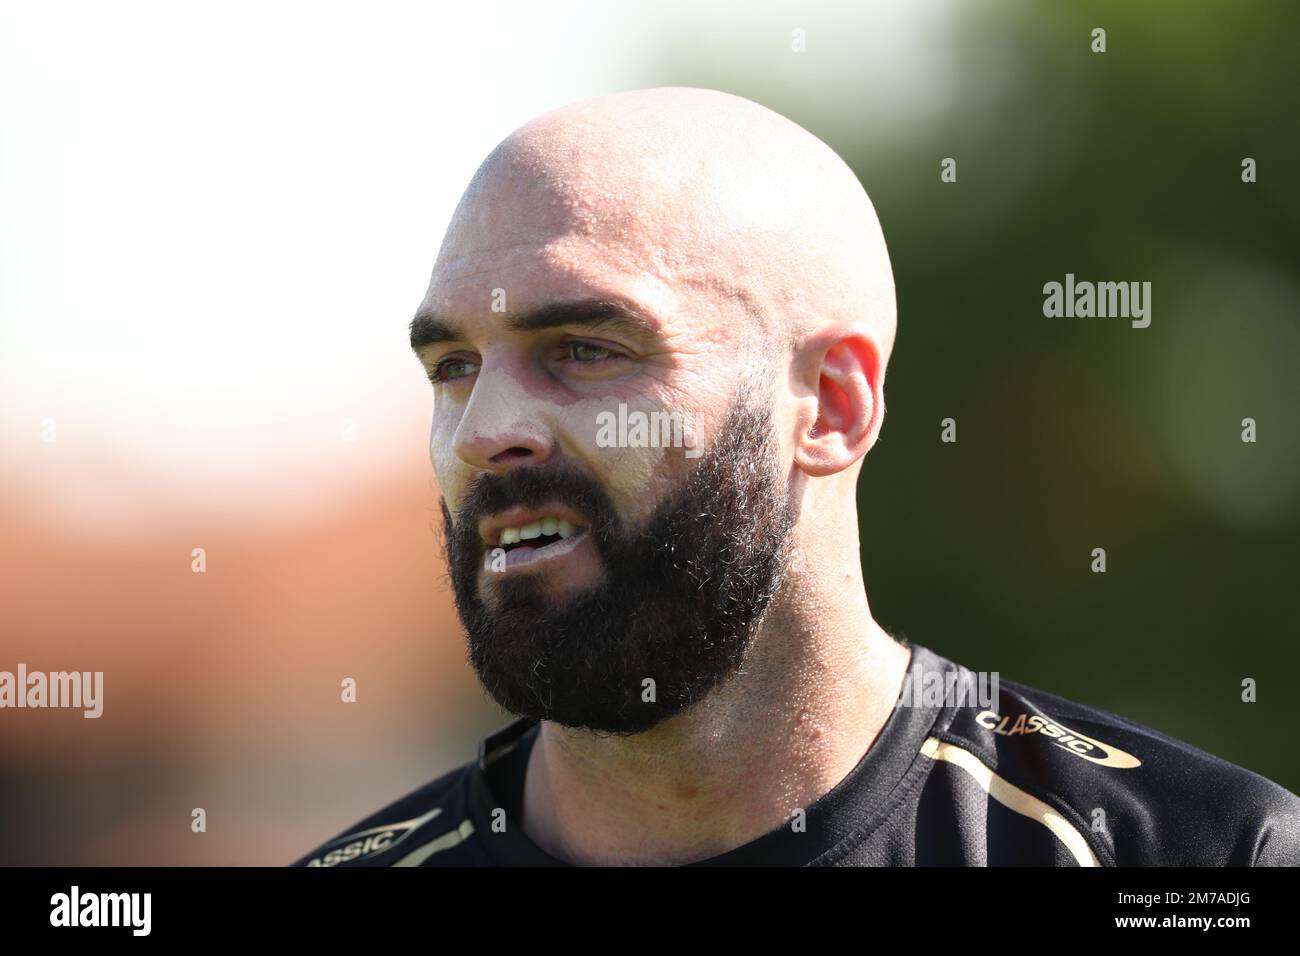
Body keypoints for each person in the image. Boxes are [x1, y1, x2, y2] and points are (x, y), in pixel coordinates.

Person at [291, 87, 1299, 867]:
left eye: (585, 347)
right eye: (453, 367)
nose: (485, 431)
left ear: (831, 404)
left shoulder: (1192, 859)